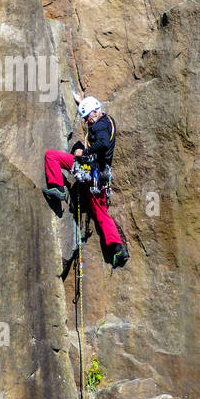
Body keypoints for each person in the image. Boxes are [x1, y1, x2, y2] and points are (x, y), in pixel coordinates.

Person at [44, 95, 129, 269]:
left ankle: (58, 188)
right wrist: (81, 102)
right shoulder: (106, 120)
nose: (86, 121)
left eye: (87, 117)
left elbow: (103, 142)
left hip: (90, 171)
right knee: (101, 215)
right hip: (100, 177)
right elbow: (97, 123)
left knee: (51, 156)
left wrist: (85, 151)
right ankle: (118, 249)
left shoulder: (99, 126)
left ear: (95, 112)